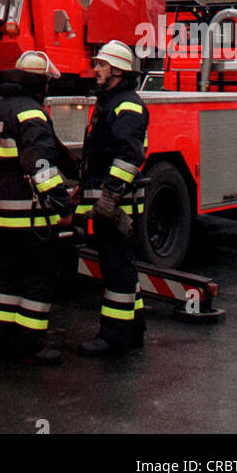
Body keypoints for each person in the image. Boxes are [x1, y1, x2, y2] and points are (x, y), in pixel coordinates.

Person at [0, 51, 74, 364]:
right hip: (29, 211)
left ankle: (1, 345)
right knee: (38, 278)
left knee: (6, 278)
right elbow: (41, 168)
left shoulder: (0, 108)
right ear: (41, 83)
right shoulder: (32, 113)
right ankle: (29, 347)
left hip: (2, 207)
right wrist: (63, 204)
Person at [75, 39, 149, 356]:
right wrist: (83, 186)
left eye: (102, 65)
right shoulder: (111, 102)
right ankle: (134, 330)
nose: (96, 69)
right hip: (111, 201)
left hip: (118, 205)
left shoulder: (125, 105)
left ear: (117, 71)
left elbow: (129, 156)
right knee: (124, 266)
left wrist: (110, 196)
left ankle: (114, 338)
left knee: (116, 268)